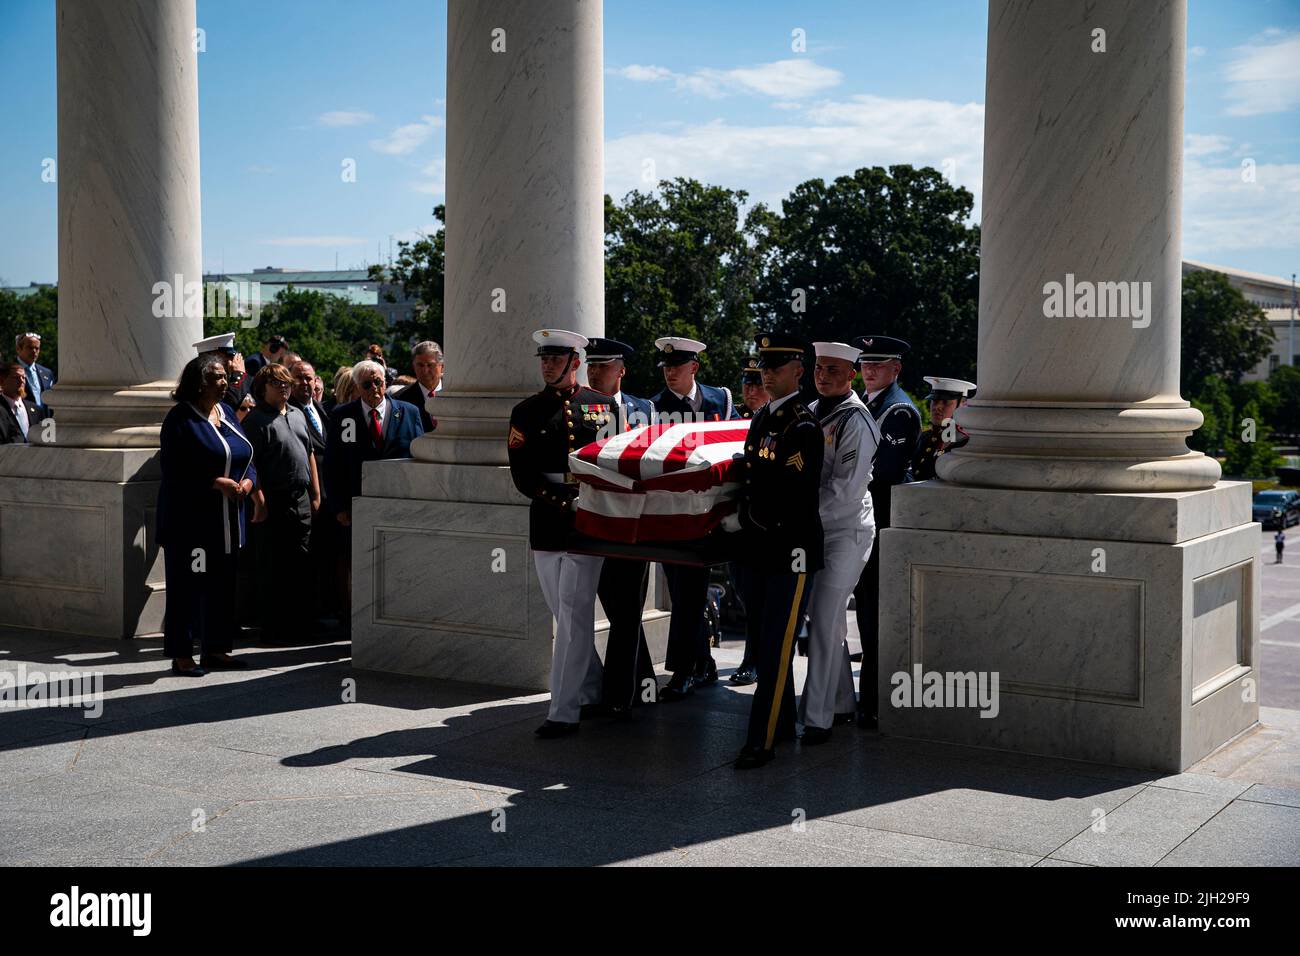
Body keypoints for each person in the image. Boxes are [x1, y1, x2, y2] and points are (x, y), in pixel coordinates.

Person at [722, 332, 824, 769]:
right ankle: (781, 724)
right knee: (763, 643)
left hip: (788, 550)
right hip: (758, 548)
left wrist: (746, 517)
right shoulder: (763, 417)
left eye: (776, 366)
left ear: (798, 372)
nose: (766, 373)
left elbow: (791, 494)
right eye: (764, 366)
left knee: (778, 646)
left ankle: (759, 741)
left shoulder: (803, 426)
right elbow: (752, 471)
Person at [507, 330, 613, 737]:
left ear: (575, 362)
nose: (547, 365)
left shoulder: (602, 406)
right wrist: (559, 499)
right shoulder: (526, 411)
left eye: (556, 358)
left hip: (589, 522)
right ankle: (592, 687)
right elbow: (522, 472)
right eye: (544, 358)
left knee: (572, 613)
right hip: (549, 521)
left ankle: (563, 710)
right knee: (565, 614)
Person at [798, 342, 881, 744]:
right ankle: (843, 702)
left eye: (833, 369)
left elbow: (845, 492)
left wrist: (800, 520)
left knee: (825, 619)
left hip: (846, 530)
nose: (823, 375)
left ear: (851, 374)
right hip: (818, 528)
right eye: (818, 367)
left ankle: (817, 719)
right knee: (824, 619)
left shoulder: (856, 421)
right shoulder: (813, 413)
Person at [156, 355, 258, 676]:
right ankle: (182, 655)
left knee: (221, 586)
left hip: (227, 521)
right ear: (199, 382)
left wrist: (247, 481)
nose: (224, 381)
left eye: (225, 376)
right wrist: (216, 483)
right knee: (188, 587)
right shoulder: (180, 419)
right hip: (191, 523)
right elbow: (173, 471)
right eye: (217, 377)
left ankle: (216, 650)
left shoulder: (226, 412)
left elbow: (247, 456)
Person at [650, 336, 738, 700]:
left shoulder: (721, 399)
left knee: (694, 592)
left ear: (694, 368)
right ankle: (690, 668)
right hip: (675, 516)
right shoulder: (655, 407)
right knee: (684, 593)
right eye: (666, 368)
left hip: (712, 515)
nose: (670, 373)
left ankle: (697, 666)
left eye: (677, 367)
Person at [584, 337, 657, 713]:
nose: (594, 371)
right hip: (597, 520)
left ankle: (625, 692)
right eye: (591, 365)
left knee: (629, 607)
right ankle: (629, 688)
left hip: (636, 522)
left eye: (603, 365)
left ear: (621, 370)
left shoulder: (644, 408)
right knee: (617, 607)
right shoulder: (579, 407)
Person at [852, 335, 921, 729]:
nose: (870, 370)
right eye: (865, 364)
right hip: (862, 520)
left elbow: (886, 474)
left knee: (876, 613)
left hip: (879, 522)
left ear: (896, 368)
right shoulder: (866, 404)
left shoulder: (898, 412)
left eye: (879, 365)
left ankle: (875, 699)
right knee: (865, 610)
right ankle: (868, 695)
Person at [324, 359, 425, 624]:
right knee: (363, 567)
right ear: (357, 387)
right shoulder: (343, 416)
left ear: (386, 382)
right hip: (358, 507)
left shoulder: (409, 412)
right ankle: (361, 622)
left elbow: (420, 459)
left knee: (398, 565)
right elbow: (333, 464)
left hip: (398, 505)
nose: (374, 388)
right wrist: (339, 507)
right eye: (367, 384)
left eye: (378, 382)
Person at [242, 363, 321, 641]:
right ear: (263, 389)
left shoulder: (299, 414)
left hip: (300, 498)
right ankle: (275, 628)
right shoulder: (254, 421)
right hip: (273, 499)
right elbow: (249, 463)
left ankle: (302, 624)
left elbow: (309, 453)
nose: (285, 386)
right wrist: (259, 500)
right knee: (274, 565)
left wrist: (316, 495)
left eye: (286, 382)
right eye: (277, 383)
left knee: (302, 561)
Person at [728, 358, 769, 685]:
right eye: (747, 383)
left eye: (757, 383)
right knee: (743, 590)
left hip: (766, 523)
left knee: (760, 598)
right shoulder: (732, 418)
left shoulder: (776, 420)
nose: (751, 389)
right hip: (736, 521)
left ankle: (754, 660)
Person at [289, 360, 334, 620]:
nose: (305, 383)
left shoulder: (318, 408)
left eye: (309, 378)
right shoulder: (291, 411)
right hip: (309, 497)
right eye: (299, 378)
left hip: (331, 496)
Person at [911, 377, 976, 481]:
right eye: (935, 401)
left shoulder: (964, 442)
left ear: (962, 405)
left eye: (945, 402)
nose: (937, 407)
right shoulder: (924, 436)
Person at [193, 333, 253, 417]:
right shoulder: (200, 380)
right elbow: (227, 405)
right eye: (226, 357)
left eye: (231, 357)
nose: (230, 362)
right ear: (210, 357)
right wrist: (239, 375)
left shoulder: (229, 376)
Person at [395, 340, 444, 433]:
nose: (425, 371)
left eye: (430, 365)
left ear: (442, 366)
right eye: (420, 365)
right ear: (413, 366)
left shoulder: (456, 393)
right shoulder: (400, 399)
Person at [14, 333, 55, 420]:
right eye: (30, 347)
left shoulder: (47, 373)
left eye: (37, 348)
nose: (34, 351)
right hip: (22, 422)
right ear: (18, 349)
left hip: (45, 424)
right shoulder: (9, 371)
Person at [0, 362, 41, 443]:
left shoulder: (36, 410)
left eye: (23, 377)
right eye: (16, 377)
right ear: (2, 381)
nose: (22, 381)